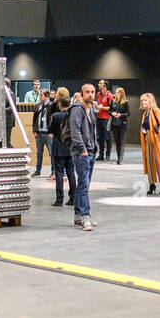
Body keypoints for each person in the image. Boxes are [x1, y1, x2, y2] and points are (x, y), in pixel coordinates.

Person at [69, 83, 98, 230]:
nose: (91, 95)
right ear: (82, 93)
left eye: (93, 92)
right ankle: (85, 216)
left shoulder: (91, 109)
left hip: (91, 152)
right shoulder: (77, 109)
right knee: (84, 187)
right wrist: (83, 149)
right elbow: (75, 132)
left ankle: (78, 216)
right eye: (87, 92)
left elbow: (92, 131)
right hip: (82, 153)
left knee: (83, 185)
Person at [48, 87, 76, 208]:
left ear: (60, 103)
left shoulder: (56, 116)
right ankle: (73, 198)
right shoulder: (73, 115)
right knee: (71, 173)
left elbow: (50, 130)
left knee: (59, 174)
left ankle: (59, 199)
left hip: (58, 148)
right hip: (70, 148)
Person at [139, 92, 160, 194]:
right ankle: (152, 184)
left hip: (157, 140)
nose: (143, 102)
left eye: (145, 100)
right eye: (142, 100)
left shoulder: (156, 110)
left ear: (150, 101)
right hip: (148, 140)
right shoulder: (145, 113)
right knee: (149, 163)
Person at [32, 87, 54, 176]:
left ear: (47, 95)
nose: (40, 96)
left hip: (48, 134)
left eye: (41, 95)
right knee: (39, 153)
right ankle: (38, 170)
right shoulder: (37, 105)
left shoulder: (52, 106)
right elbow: (34, 119)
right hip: (39, 133)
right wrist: (34, 130)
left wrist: (52, 132)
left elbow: (54, 120)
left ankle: (53, 171)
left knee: (51, 153)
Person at [109, 87, 129, 164]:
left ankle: (120, 160)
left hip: (122, 124)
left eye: (117, 92)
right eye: (116, 92)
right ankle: (118, 159)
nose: (116, 93)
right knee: (117, 142)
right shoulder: (112, 102)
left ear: (121, 94)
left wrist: (120, 115)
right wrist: (112, 113)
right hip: (114, 124)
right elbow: (109, 111)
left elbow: (128, 113)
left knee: (122, 142)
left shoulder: (125, 102)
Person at [94, 80, 113, 160]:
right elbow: (98, 104)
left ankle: (108, 154)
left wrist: (101, 107)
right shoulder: (98, 94)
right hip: (98, 117)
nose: (98, 84)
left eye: (100, 83)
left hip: (106, 118)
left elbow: (111, 107)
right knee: (100, 137)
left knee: (107, 136)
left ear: (104, 85)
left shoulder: (109, 95)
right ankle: (101, 154)